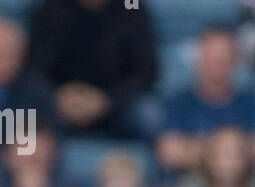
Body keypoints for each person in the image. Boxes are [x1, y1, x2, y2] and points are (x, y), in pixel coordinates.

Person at [27, 0, 158, 136]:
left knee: (148, 115)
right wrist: (57, 96)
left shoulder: (132, 8)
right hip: (60, 100)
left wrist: (107, 101)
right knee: (23, 110)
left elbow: (145, 71)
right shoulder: (49, 8)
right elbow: (34, 67)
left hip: (116, 102)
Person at [156, 27, 255, 174]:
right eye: (211, 59)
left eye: (223, 60)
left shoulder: (249, 102)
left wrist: (195, 148)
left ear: (235, 63)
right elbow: (169, 152)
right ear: (199, 60)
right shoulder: (178, 102)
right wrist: (226, 149)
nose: (216, 67)